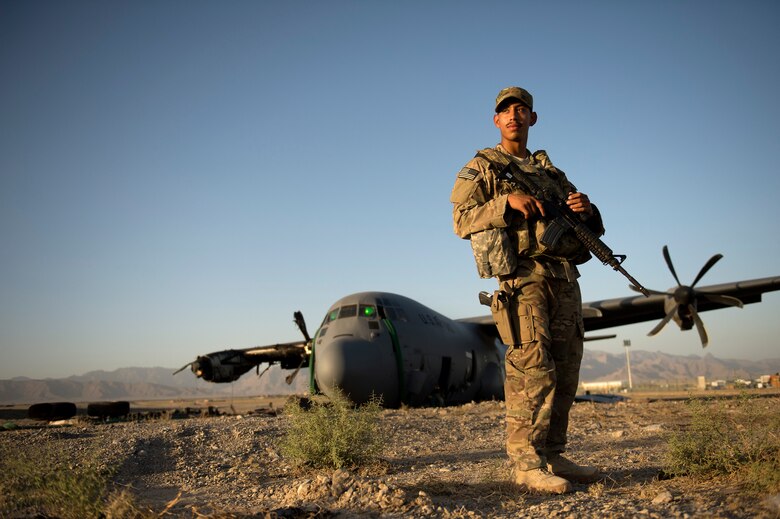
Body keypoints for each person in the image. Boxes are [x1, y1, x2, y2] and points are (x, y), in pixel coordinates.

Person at [450, 87, 604, 494]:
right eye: (505, 110)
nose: (514, 115)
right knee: (531, 367)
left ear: (533, 119)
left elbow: (584, 228)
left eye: (522, 109)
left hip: (565, 277)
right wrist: (507, 202)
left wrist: (588, 210)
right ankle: (525, 462)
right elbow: (461, 221)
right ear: (496, 121)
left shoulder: (552, 175)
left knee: (566, 368)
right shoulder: (481, 167)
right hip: (523, 278)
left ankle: (553, 453)